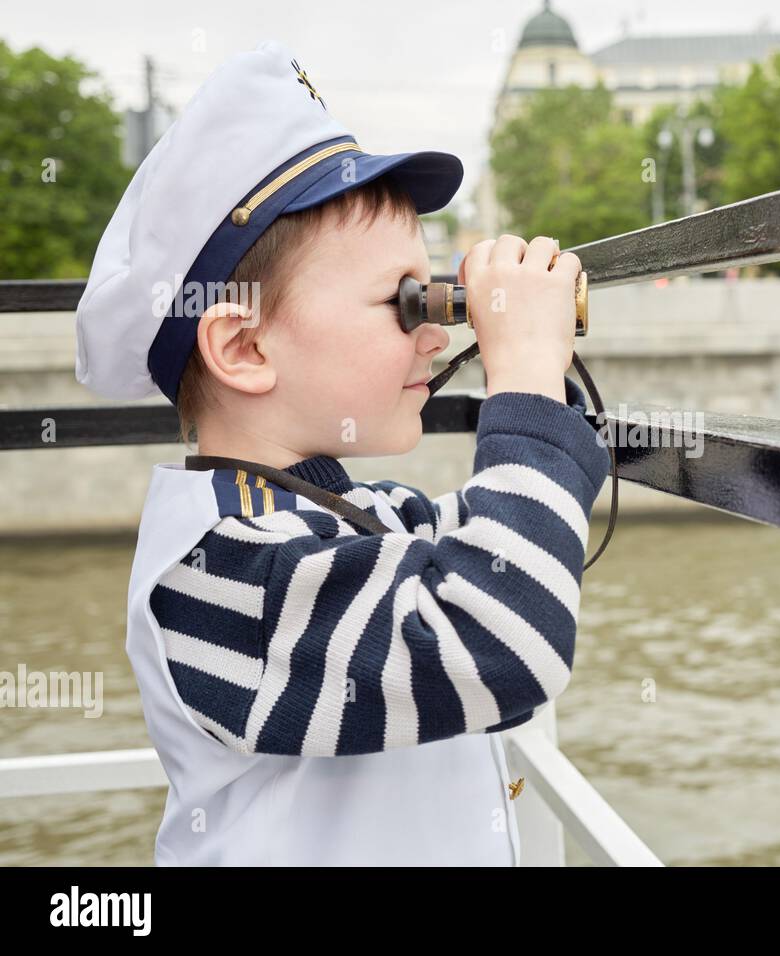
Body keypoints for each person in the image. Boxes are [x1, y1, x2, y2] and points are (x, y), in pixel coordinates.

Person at [73, 40, 609, 865]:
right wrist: (524, 375)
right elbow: (503, 641)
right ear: (246, 348)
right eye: (404, 302)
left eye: (436, 294)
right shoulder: (215, 573)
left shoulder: (364, 514)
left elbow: (522, 539)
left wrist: (541, 367)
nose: (437, 329)